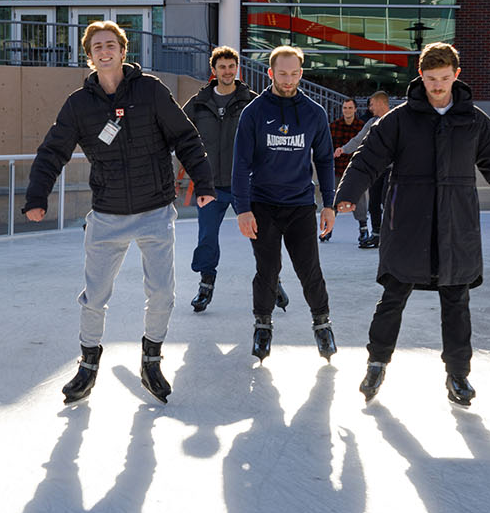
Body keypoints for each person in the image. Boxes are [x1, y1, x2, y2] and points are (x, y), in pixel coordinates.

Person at [337, 42, 490, 406]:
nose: (437, 86)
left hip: (455, 224)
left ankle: (458, 375)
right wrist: (348, 193)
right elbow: (367, 160)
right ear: (421, 76)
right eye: (431, 79)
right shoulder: (399, 119)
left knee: (456, 300)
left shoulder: (474, 121)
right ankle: (376, 363)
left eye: (444, 78)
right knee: (393, 296)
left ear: (456, 75)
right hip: (408, 224)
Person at [22, 20, 215, 405]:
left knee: (162, 293)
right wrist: (36, 196)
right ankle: (88, 365)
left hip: (155, 211)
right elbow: (52, 152)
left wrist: (204, 183)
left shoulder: (151, 91)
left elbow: (185, 137)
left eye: (111, 45)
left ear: (124, 52)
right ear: (89, 55)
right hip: (107, 214)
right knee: (94, 296)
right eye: (97, 47)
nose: (104, 51)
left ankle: (151, 360)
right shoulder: (79, 104)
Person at [232, 45, 338, 363]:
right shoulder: (254, 112)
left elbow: (325, 161)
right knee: (267, 270)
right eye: (282, 73)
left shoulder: (314, 113)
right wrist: (242, 209)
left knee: (310, 270)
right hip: (263, 204)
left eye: (294, 73)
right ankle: (262, 325)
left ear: (301, 73)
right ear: (270, 73)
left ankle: (322, 324)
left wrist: (329, 204)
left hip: (300, 205)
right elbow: (240, 163)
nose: (288, 79)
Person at [182, 45, 256, 312]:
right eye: (222, 67)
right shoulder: (199, 103)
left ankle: (272, 281)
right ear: (213, 71)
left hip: (244, 185)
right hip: (209, 185)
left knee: (260, 235)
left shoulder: (252, 101)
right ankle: (205, 285)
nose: (227, 71)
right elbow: (179, 132)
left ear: (238, 69)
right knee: (206, 238)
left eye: (231, 66)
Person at [339, 90, 393, 248]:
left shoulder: (396, 120)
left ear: (381, 103)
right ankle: (376, 234)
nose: (370, 108)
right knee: (374, 202)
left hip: (392, 170)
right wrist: (343, 149)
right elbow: (359, 140)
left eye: (372, 104)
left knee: (387, 201)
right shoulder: (372, 123)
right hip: (377, 168)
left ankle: (391, 235)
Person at [329, 97, 366, 244]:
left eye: (350, 108)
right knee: (333, 198)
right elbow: (327, 145)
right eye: (345, 108)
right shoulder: (334, 126)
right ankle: (328, 228)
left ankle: (363, 229)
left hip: (356, 169)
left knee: (361, 198)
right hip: (338, 168)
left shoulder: (361, 126)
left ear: (355, 110)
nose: (347, 111)